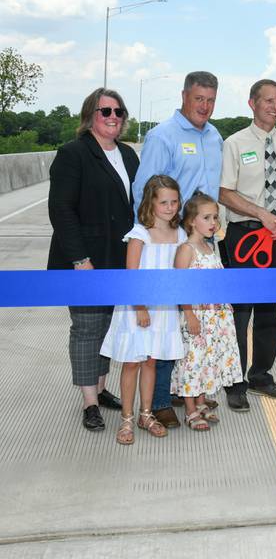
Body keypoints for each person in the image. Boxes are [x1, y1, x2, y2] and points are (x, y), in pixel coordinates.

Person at [132, 71, 223, 428]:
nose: (205, 106)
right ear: (184, 96)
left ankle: (192, 391)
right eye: (199, 98)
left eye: (211, 100)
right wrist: (151, 238)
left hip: (205, 241)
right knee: (168, 321)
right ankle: (160, 401)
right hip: (169, 243)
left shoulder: (215, 136)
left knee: (196, 324)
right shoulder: (162, 136)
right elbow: (144, 191)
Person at [47, 88, 138, 431]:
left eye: (118, 111)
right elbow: (61, 209)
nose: (113, 117)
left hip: (117, 259)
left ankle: (101, 391)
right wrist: (79, 260)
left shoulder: (128, 155)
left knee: (107, 327)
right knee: (87, 329)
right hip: (84, 261)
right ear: (90, 115)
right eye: (105, 111)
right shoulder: (73, 154)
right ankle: (89, 404)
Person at [219, 79, 276, 410]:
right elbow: (224, 192)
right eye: (268, 100)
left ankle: (261, 375)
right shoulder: (234, 143)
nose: (274, 106)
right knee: (241, 311)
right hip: (245, 234)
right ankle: (235, 381)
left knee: (270, 309)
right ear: (252, 103)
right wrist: (261, 214)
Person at [100, 175, 186, 444]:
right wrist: (139, 307)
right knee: (132, 362)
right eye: (164, 202)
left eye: (174, 202)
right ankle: (126, 419)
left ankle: (145, 414)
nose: (170, 207)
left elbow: (180, 274)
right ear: (150, 203)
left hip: (165, 309)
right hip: (138, 307)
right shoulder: (139, 234)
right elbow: (131, 276)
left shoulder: (180, 234)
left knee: (151, 361)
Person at [172, 192, 243, 430]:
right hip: (197, 315)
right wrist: (189, 315)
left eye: (215, 217)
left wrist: (226, 302)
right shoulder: (186, 249)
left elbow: (217, 281)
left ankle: (201, 402)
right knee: (192, 361)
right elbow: (180, 287)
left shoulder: (210, 247)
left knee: (207, 360)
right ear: (191, 220)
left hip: (215, 317)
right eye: (207, 217)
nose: (213, 223)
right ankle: (190, 409)